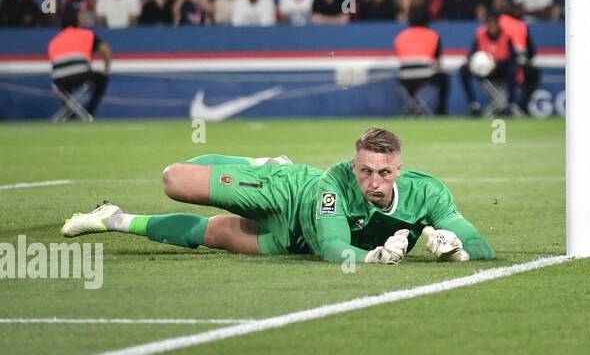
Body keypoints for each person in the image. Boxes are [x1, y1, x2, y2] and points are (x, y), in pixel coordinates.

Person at [61, 127, 494, 264]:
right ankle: (263, 164)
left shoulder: (428, 193)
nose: (374, 183)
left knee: (211, 237)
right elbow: (332, 248)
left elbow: (481, 245)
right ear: (353, 165)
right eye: (365, 171)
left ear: (398, 169)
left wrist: (456, 250)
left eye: (383, 173)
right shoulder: (333, 184)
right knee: (174, 180)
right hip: (288, 195)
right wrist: (372, 258)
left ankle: (114, 219)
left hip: (287, 241)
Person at [48, 4, 112, 118]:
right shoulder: (87, 34)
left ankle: (72, 115)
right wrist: (106, 69)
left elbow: (55, 63)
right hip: (82, 74)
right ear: (77, 21)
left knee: (66, 90)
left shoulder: (54, 41)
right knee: (102, 78)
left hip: (58, 80)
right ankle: (89, 112)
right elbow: (106, 50)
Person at [394, 4, 448, 114]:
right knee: (444, 79)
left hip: (405, 77)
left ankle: (414, 107)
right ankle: (441, 111)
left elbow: (401, 57)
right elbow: (437, 62)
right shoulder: (433, 35)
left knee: (410, 83)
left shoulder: (400, 36)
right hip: (426, 75)